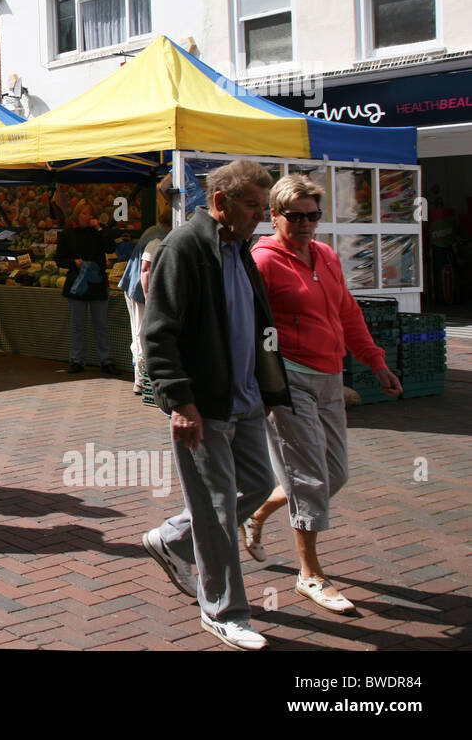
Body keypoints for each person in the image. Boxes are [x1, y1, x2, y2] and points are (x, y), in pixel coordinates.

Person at [140, 159, 290, 650]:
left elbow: (253, 321)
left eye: (264, 208)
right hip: (203, 406)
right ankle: (224, 612)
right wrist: (180, 402)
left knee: (257, 483)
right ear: (221, 202)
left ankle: (173, 538)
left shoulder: (239, 248)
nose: (261, 217)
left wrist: (268, 390)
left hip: (244, 400)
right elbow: (158, 334)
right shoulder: (183, 248)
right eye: (252, 206)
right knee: (219, 510)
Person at [242, 174, 402, 614]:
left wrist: (376, 363)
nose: (305, 223)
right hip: (288, 379)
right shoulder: (263, 260)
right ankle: (309, 574)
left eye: (313, 215)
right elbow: (244, 325)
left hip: (330, 376)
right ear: (274, 216)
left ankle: (256, 514)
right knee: (310, 480)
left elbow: (347, 312)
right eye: (295, 216)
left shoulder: (326, 255)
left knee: (335, 473)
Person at [55, 202, 121, 375]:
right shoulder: (68, 234)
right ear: (78, 214)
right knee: (78, 324)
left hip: (97, 282)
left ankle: (106, 360)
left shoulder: (99, 232)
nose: (86, 217)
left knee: (101, 324)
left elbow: (111, 247)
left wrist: (99, 228)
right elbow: (59, 258)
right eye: (83, 213)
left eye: (89, 214)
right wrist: (73, 263)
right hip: (77, 283)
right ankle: (77, 360)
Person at [122, 177, 173, 394]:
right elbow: (146, 270)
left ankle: (142, 379)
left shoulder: (154, 230)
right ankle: (141, 380)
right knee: (142, 333)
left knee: (141, 332)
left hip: (135, 288)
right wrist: (151, 298)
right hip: (139, 291)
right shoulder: (158, 238)